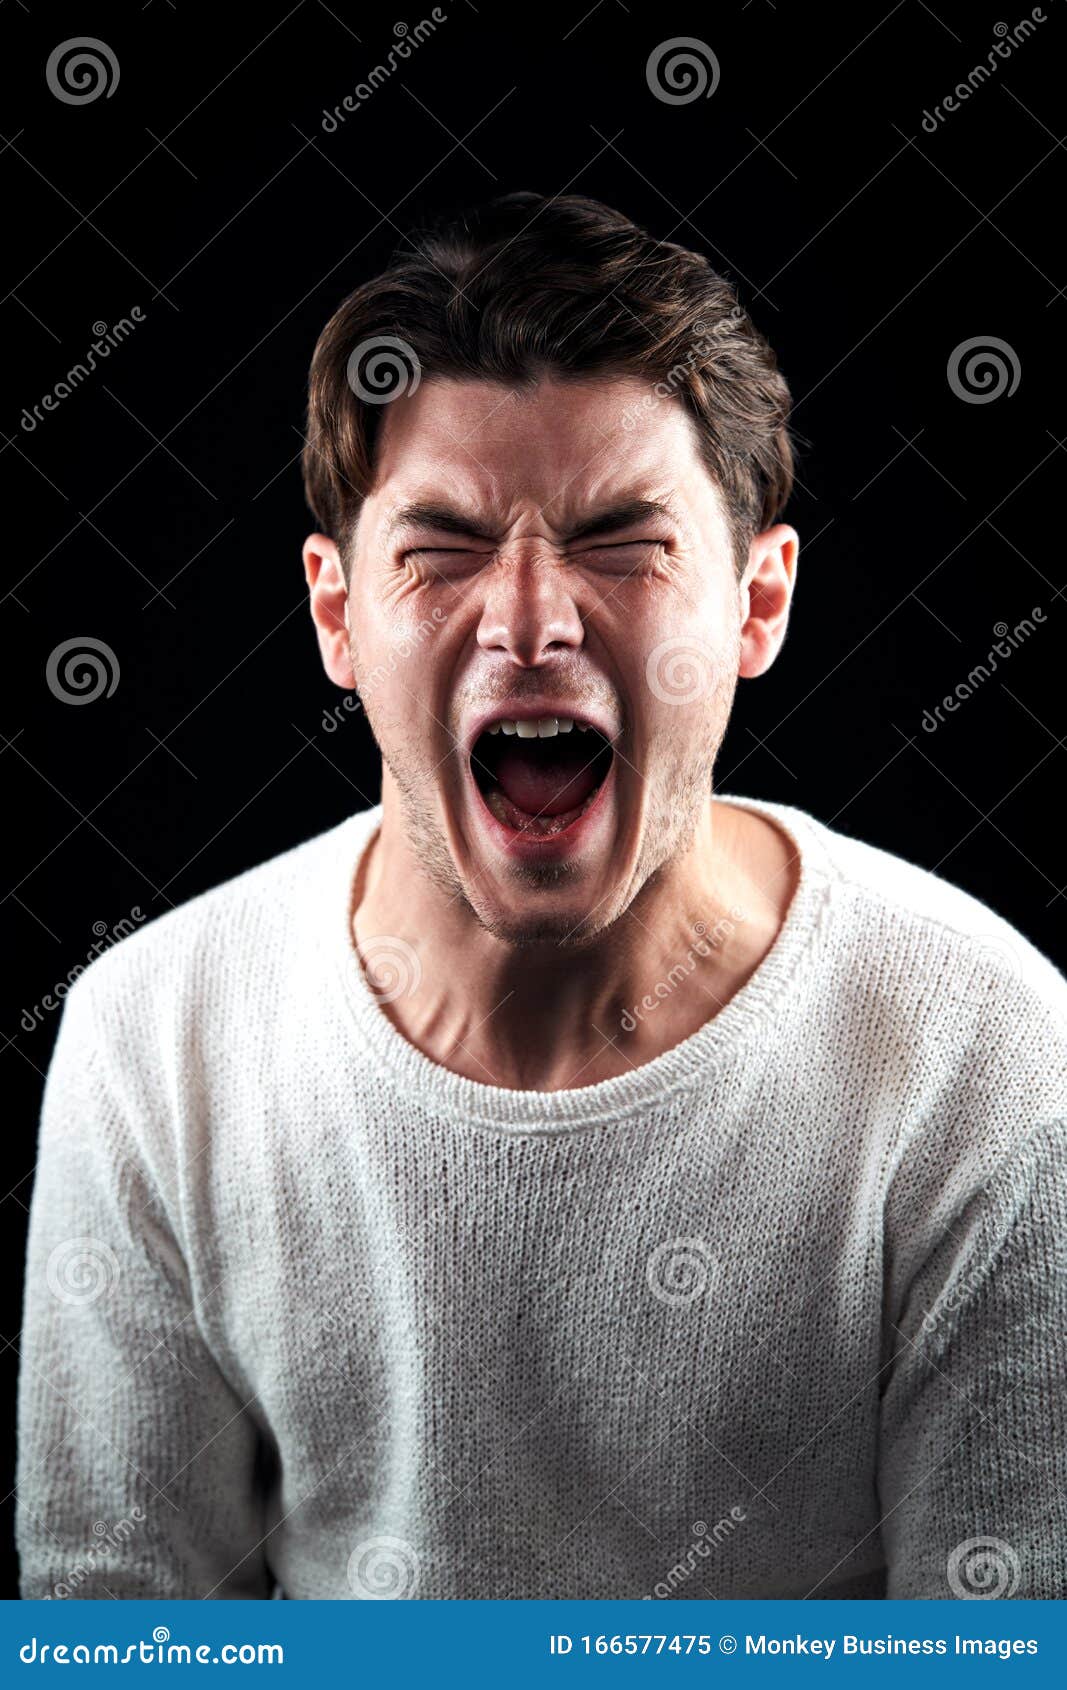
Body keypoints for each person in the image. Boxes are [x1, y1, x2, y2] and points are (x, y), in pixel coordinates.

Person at [17, 194, 1066, 1601]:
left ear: (759, 602)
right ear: (337, 613)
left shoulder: (985, 1049)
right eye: (443, 547)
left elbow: (997, 1651)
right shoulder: (154, 1042)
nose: (528, 623)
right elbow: (115, 1638)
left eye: (621, 540)